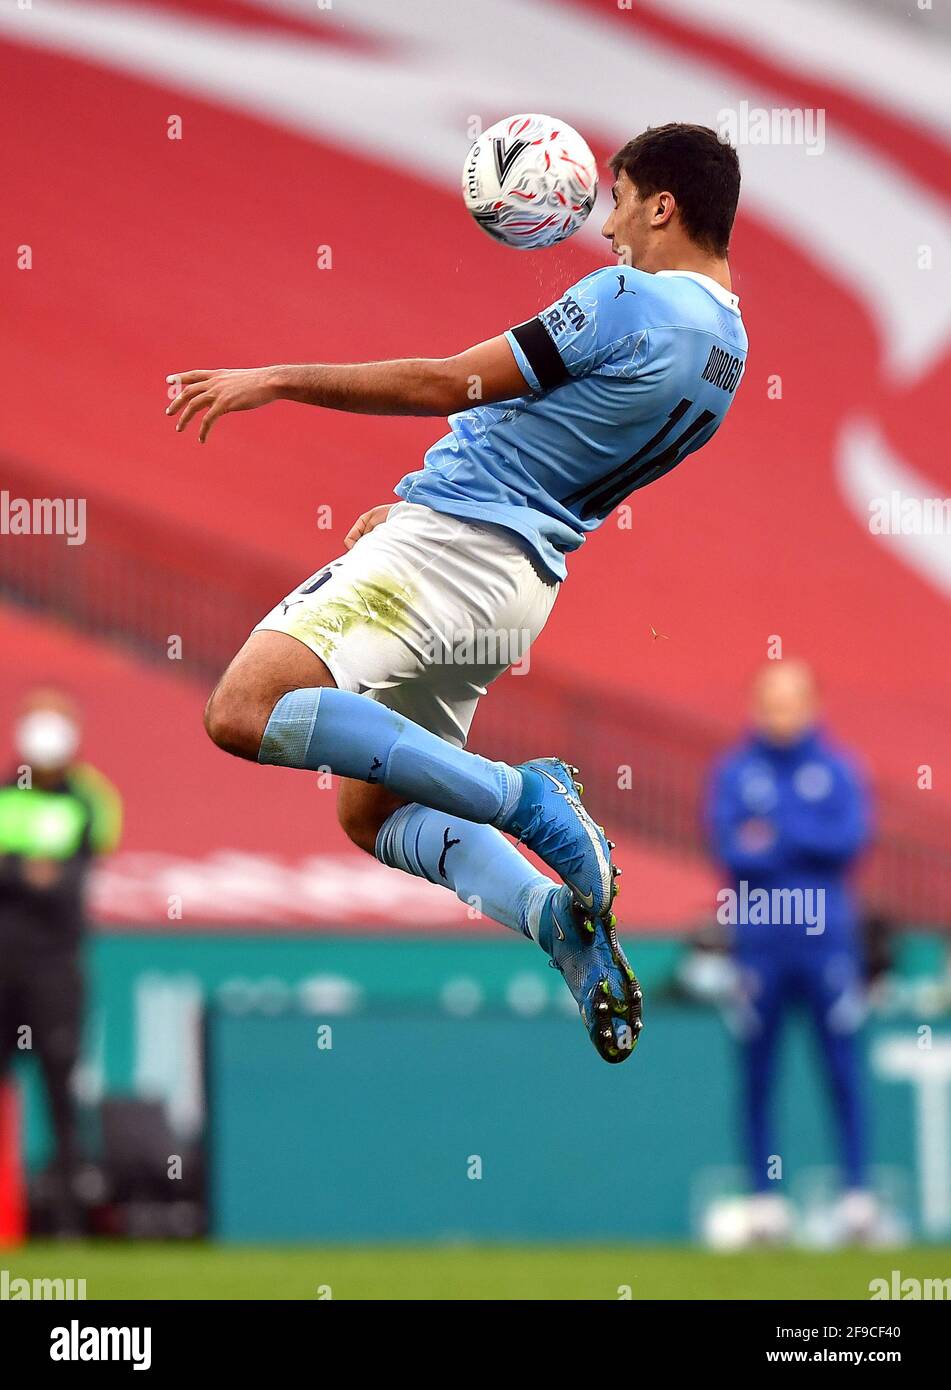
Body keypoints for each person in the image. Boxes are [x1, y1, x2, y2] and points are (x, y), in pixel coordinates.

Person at [166, 123, 748, 1064]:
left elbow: (447, 384)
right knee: (373, 812)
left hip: (454, 550)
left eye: (616, 200)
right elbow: (557, 443)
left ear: (662, 206)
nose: (606, 230)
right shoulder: (728, 355)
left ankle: (526, 799)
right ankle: (553, 922)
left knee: (243, 710)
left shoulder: (632, 299)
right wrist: (411, 511)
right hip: (519, 580)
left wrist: (277, 377)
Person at [705, 660, 875, 1240]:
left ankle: (856, 1196)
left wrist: (777, 832)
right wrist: (799, 839)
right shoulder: (735, 770)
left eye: (789, 701)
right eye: (769, 701)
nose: (779, 713)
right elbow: (731, 847)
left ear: (811, 704)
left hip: (827, 942)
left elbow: (848, 840)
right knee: (757, 1071)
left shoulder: (838, 769)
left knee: (841, 1067)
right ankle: (763, 1200)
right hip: (759, 945)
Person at [0, 691, 122, 1231]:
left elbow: (81, 863)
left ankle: (69, 1220)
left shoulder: (88, 796)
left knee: (60, 1090)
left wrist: (29, 874)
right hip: (4, 963)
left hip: (55, 966)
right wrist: (28, 873)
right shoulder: (6, 794)